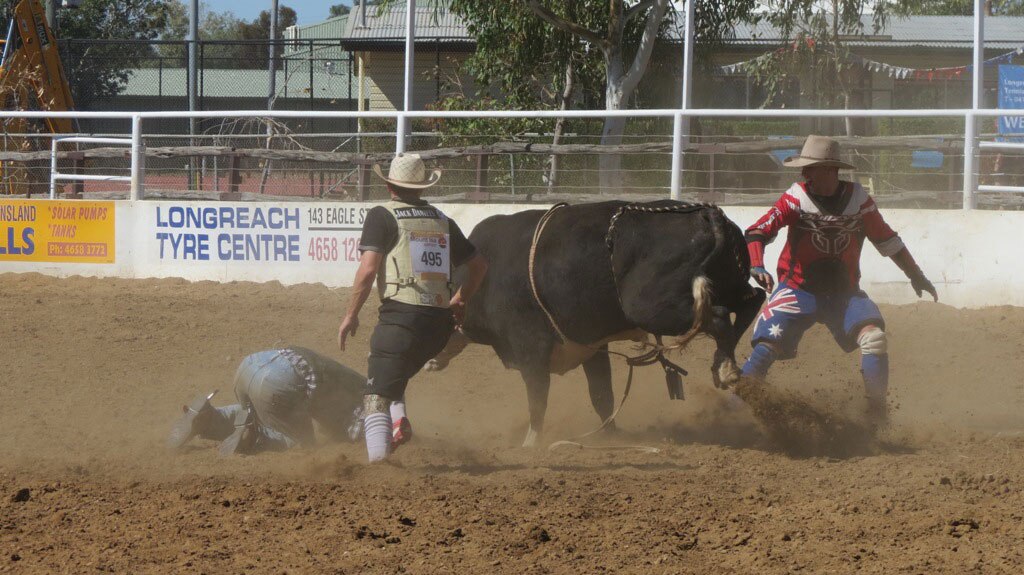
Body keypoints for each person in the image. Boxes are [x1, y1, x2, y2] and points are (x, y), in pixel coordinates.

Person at [742, 135, 938, 424]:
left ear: (831, 170)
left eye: (812, 167)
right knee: (766, 347)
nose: (805, 173)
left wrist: (916, 275)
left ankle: (876, 414)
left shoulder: (858, 200)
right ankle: (734, 409)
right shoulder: (796, 197)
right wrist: (757, 266)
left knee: (874, 338)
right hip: (797, 290)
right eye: (806, 168)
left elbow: (886, 239)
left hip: (844, 294)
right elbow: (757, 231)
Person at [338, 153, 488, 463]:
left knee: (374, 396)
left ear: (390, 186)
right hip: (437, 325)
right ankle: (398, 419)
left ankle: (379, 464)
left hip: (401, 318)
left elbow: (367, 271)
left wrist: (350, 315)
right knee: (392, 371)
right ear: (421, 188)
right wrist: (461, 299)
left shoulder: (382, 215)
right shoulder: (442, 220)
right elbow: (479, 265)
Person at [168, 346, 366, 455]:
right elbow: (354, 430)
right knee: (300, 442)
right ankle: (255, 435)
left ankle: (209, 416)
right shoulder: (366, 399)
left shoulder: (350, 379)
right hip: (279, 381)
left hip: (251, 365)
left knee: (257, 410)